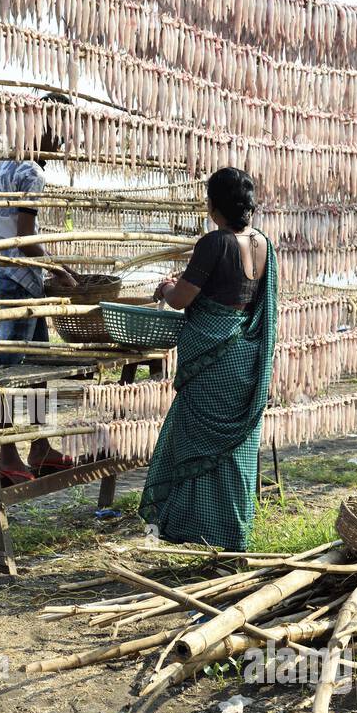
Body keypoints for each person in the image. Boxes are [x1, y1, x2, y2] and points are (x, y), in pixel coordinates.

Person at [138, 167, 278, 550]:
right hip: (243, 359)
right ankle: (231, 531)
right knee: (233, 452)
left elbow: (182, 299)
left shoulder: (215, 243)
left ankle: (195, 528)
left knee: (195, 442)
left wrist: (166, 286)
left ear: (214, 204)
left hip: (212, 363)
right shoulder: (264, 243)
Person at [0, 93, 78, 486]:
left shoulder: (4, 165)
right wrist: (58, 269)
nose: (58, 147)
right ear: (43, 131)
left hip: (11, 274)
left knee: (36, 365)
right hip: (23, 279)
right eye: (57, 138)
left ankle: (40, 445)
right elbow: (26, 238)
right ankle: (7, 452)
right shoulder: (32, 173)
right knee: (8, 369)